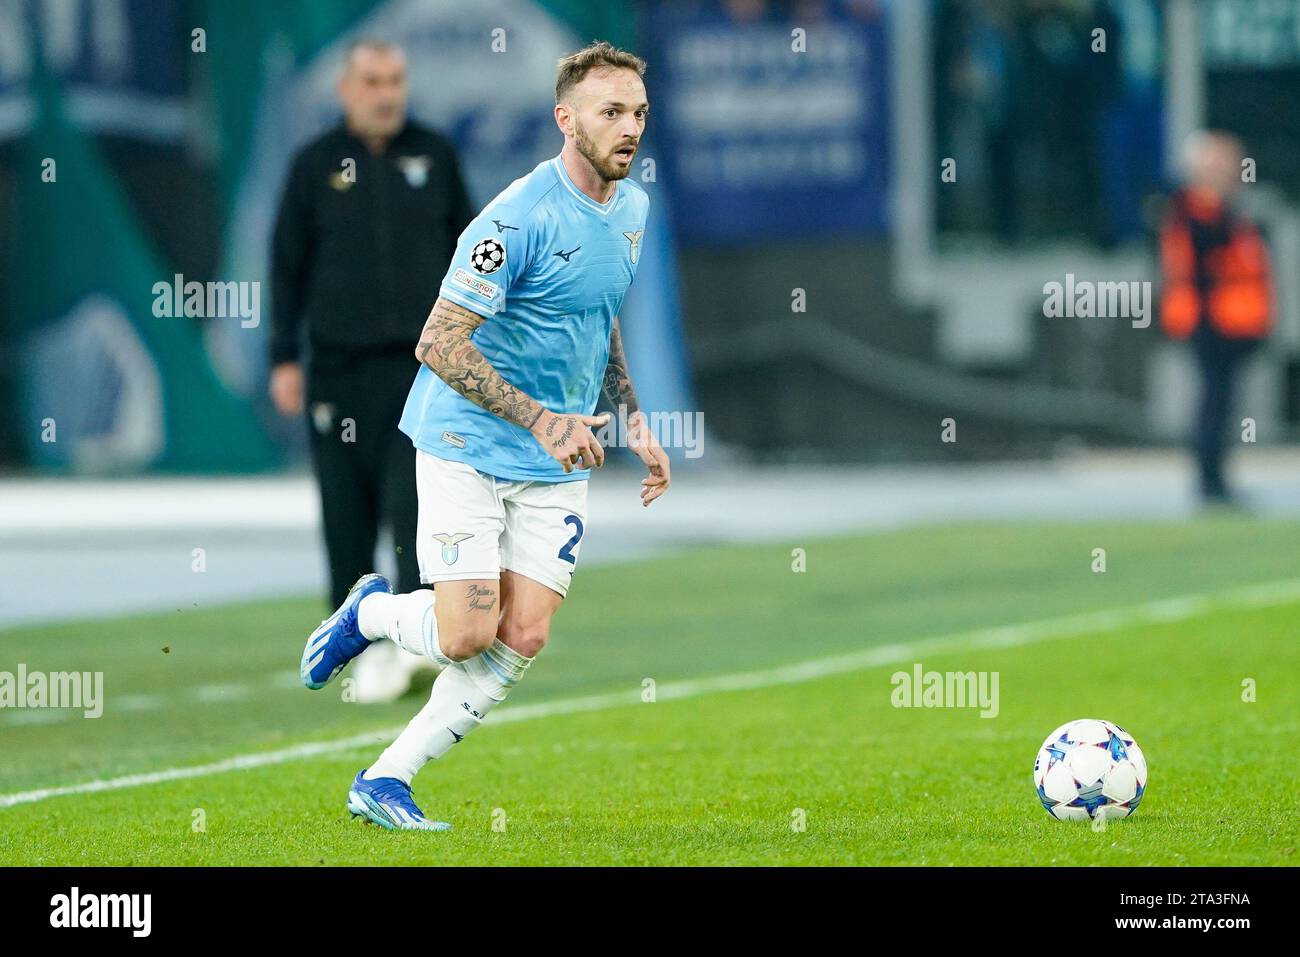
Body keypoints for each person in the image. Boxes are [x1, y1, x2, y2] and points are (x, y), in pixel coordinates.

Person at [298, 41, 672, 830]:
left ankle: (385, 778)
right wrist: (541, 416)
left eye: (638, 111)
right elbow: (437, 340)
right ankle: (367, 616)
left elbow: (595, 319)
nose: (629, 126)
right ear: (566, 120)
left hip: (554, 455)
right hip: (466, 443)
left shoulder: (632, 212)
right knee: (467, 632)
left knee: (524, 633)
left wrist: (635, 417)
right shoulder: (516, 217)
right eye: (612, 112)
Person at [270, 40, 475, 701]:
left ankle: (416, 635)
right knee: (344, 513)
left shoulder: (435, 156)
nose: (386, 93)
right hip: (336, 370)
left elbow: (471, 254)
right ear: (346, 89)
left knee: (413, 504)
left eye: (395, 80)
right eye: (372, 81)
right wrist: (282, 356)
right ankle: (354, 643)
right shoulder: (315, 165)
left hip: (420, 372)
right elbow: (285, 266)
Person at [1159, 131, 1273, 505]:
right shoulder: (1193, 211)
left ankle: (1217, 479)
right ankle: (1210, 482)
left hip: (1233, 326)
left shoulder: (1229, 211)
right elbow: (1200, 272)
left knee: (1222, 404)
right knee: (1213, 403)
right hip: (1211, 326)